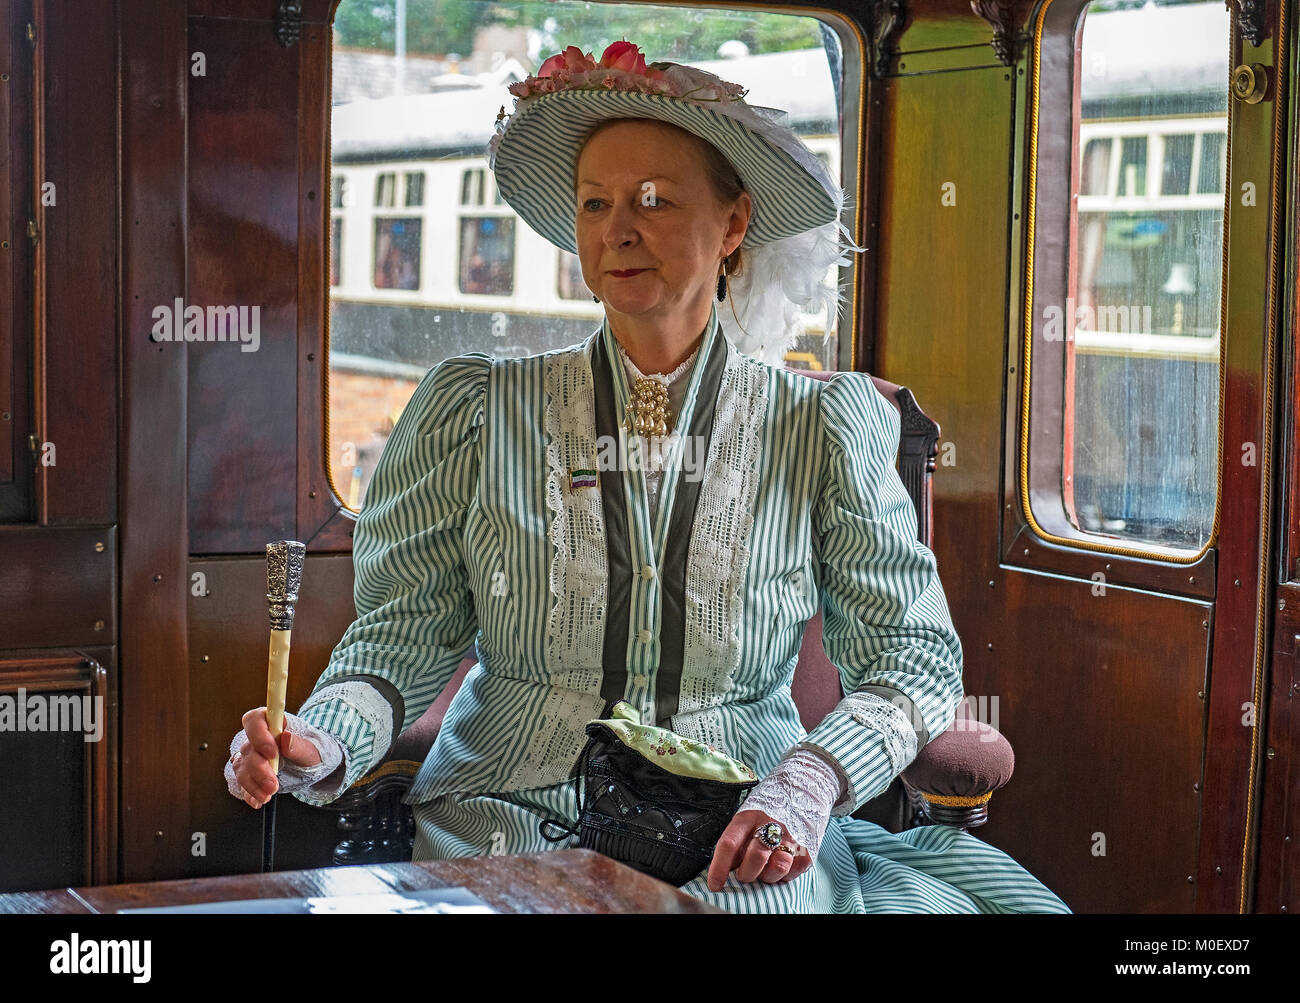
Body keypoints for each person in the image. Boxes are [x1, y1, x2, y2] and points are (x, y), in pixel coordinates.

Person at [227, 40, 1070, 913]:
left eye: (655, 200)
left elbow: (914, 659)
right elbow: (399, 640)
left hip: (746, 821)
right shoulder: (475, 413)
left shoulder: (821, 425)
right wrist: (323, 738)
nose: (617, 228)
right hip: (508, 812)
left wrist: (812, 779)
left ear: (735, 223)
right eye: (596, 202)